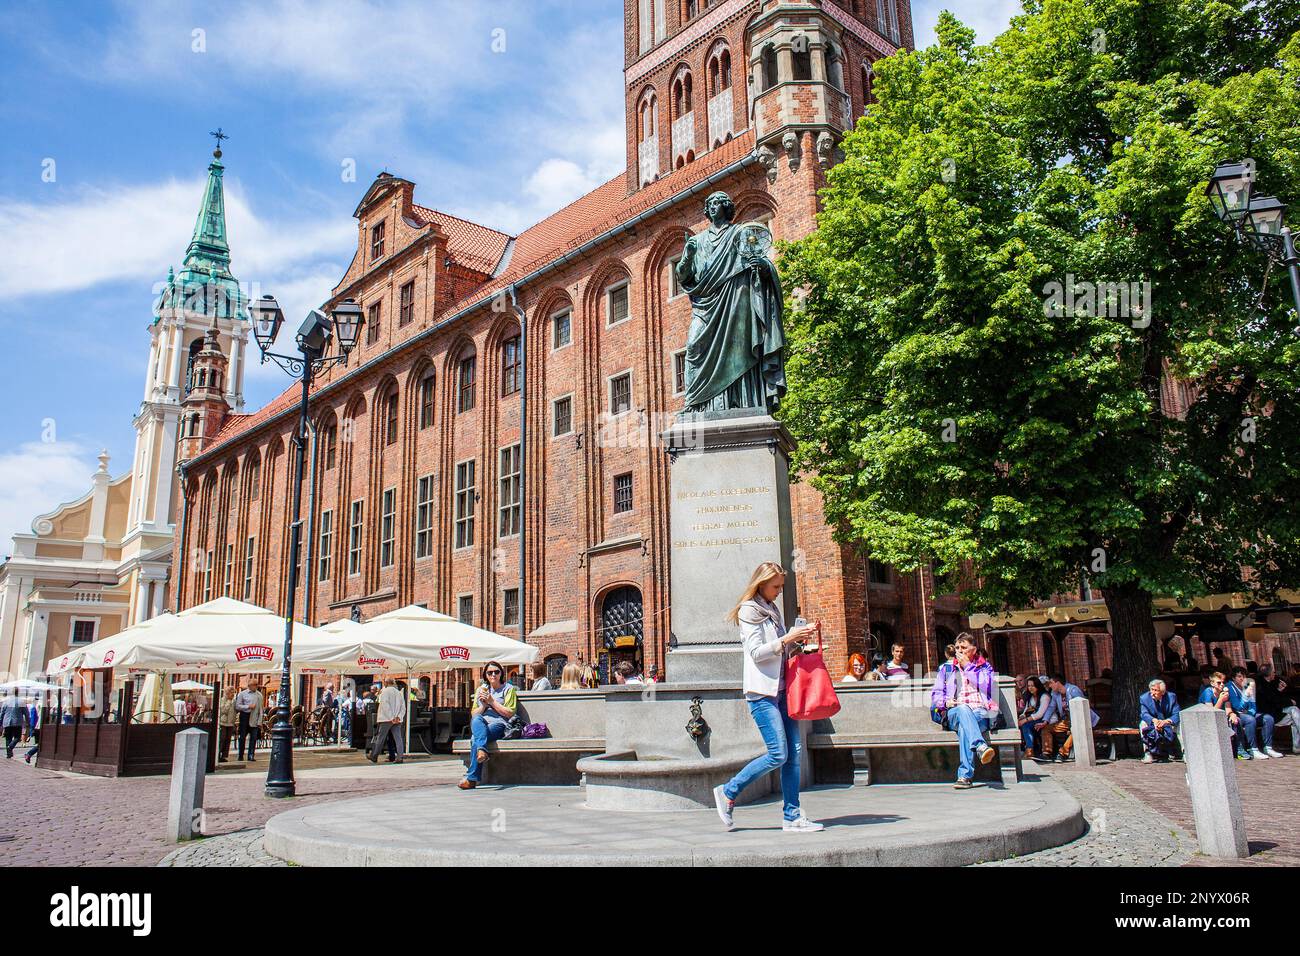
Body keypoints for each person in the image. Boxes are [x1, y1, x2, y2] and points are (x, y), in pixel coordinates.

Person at [712, 562, 824, 832]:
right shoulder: (750, 610)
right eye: (775, 586)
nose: (778, 592)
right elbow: (756, 653)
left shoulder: (772, 610)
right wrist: (787, 639)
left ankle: (792, 816)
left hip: (784, 690)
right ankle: (729, 790)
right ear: (761, 583)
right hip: (762, 693)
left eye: (780, 587)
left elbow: (779, 652)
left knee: (793, 754)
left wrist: (799, 639)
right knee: (778, 754)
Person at [929, 633, 1000, 788]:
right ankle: (980, 746)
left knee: (964, 728)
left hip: (979, 711)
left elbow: (986, 685)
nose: (959, 650)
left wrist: (968, 666)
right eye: (958, 647)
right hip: (955, 711)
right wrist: (945, 703)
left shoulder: (983, 666)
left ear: (973, 650)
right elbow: (936, 693)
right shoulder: (947, 669)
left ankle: (965, 777)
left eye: (964, 647)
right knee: (962, 708)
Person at [459, 661, 517, 790]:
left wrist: (492, 702)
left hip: (499, 724)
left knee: (475, 739)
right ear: (485, 675)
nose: (493, 675)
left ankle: (472, 778)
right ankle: (481, 753)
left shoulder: (508, 689)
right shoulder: (481, 689)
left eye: (496, 672)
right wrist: (484, 706)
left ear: (501, 673)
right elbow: (474, 714)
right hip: (481, 723)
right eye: (490, 672)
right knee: (477, 719)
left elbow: (509, 713)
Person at [1035, 674, 1099, 763]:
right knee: (1046, 729)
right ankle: (1047, 753)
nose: (1050, 685)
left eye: (1051, 683)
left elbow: (1082, 706)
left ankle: (1062, 753)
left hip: (1081, 719)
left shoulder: (1073, 690)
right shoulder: (1055, 694)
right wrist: (1045, 721)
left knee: (1076, 730)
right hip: (1067, 720)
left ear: (1058, 683)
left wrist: (1075, 723)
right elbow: (1051, 707)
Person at [1227, 667, 1277, 759]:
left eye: (1244, 676)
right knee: (1250, 720)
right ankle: (1253, 749)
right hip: (1236, 714)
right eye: (1239, 676)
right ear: (1233, 678)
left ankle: (1268, 747)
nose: (1243, 679)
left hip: (1248, 713)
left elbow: (1253, 705)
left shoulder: (1247, 685)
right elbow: (1238, 707)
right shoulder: (1230, 687)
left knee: (1268, 718)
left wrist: (1250, 712)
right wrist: (1246, 695)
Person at [1255, 664, 1298, 754]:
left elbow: (1275, 698)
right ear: (1268, 673)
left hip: (1275, 711)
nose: (1275, 674)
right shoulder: (1261, 686)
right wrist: (1290, 702)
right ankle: (1297, 746)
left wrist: (1279, 690)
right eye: (1273, 672)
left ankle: (1297, 747)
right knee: (1294, 711)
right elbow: (1274, 701)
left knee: (1295, 712)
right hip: (1269, 714)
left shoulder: (1270, 683)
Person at [1139, 678, 1181, 763]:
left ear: (1162, 692)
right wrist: (1153, 720)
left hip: (1168, 723)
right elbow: (1144, 714)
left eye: (1155, 690)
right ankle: (1148, 753)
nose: (1152, 693)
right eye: (1151, 690)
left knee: (1181, 725)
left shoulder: (1171, 697)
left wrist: (1166, 721)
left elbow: (1177, 713)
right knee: (1142, 724)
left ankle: (1184, 752)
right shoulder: (1144, 698)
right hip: (1153, 723)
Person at [367, 677, 406, 764]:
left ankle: (374, 756)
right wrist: (398, 717)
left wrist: (391, 717)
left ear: (386, 683)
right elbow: (403, 707)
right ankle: (400, 757)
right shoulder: (399, 693)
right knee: (398, 738)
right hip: (397, 719)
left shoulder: (385, 691)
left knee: (381, 738)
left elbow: (385, 705)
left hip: (386, 719)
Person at [1018, 675, 1050, 759]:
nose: (1030, 688)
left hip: (1045, 720)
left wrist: (1025, 720)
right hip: (1035, 719)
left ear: (1037, 686)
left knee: (1026, 725)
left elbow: (1040, 713)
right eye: (1029, 686)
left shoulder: (1044, 696)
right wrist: (1022, 716)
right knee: (1023, 725)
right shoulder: (1031, 697)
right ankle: (1026, 748)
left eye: (1032, 686)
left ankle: (1030, 749)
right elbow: (1026, 710)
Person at [234, 681, 263, 761]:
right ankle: (240, 755)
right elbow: (237, 706)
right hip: (244, 716)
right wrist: (247, 706)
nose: (256, 686)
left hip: (254, 717)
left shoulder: (259, 695)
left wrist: (260, 721)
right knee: (242, 737)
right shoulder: (242, 694)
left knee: (253, 738)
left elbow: (261, 709)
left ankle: (251, 755)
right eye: (255, 685)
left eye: (257, 685)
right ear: (249, 686)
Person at [1, 689, 28, 759]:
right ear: (18, 692)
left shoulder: (6, 701)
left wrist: (0, 721)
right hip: (17, 722)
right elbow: (26, 713)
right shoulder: (21, 701)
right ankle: (10, 747)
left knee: (8, 738)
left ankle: (8, 754)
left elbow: (2, 713)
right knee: (17, 737)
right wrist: (28, 721)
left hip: (7, 722)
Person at [217, 686, 238, 763]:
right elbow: (223, 711)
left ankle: (224, 756)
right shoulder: (222, 700)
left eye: (234, 692)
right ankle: (218, 754)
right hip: (223, 723)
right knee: (222, 739)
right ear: (227, 693)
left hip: (230, 723)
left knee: (227, 740)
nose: (233, 694)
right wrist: (229, 702)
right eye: (231, 692)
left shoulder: (234, 701)